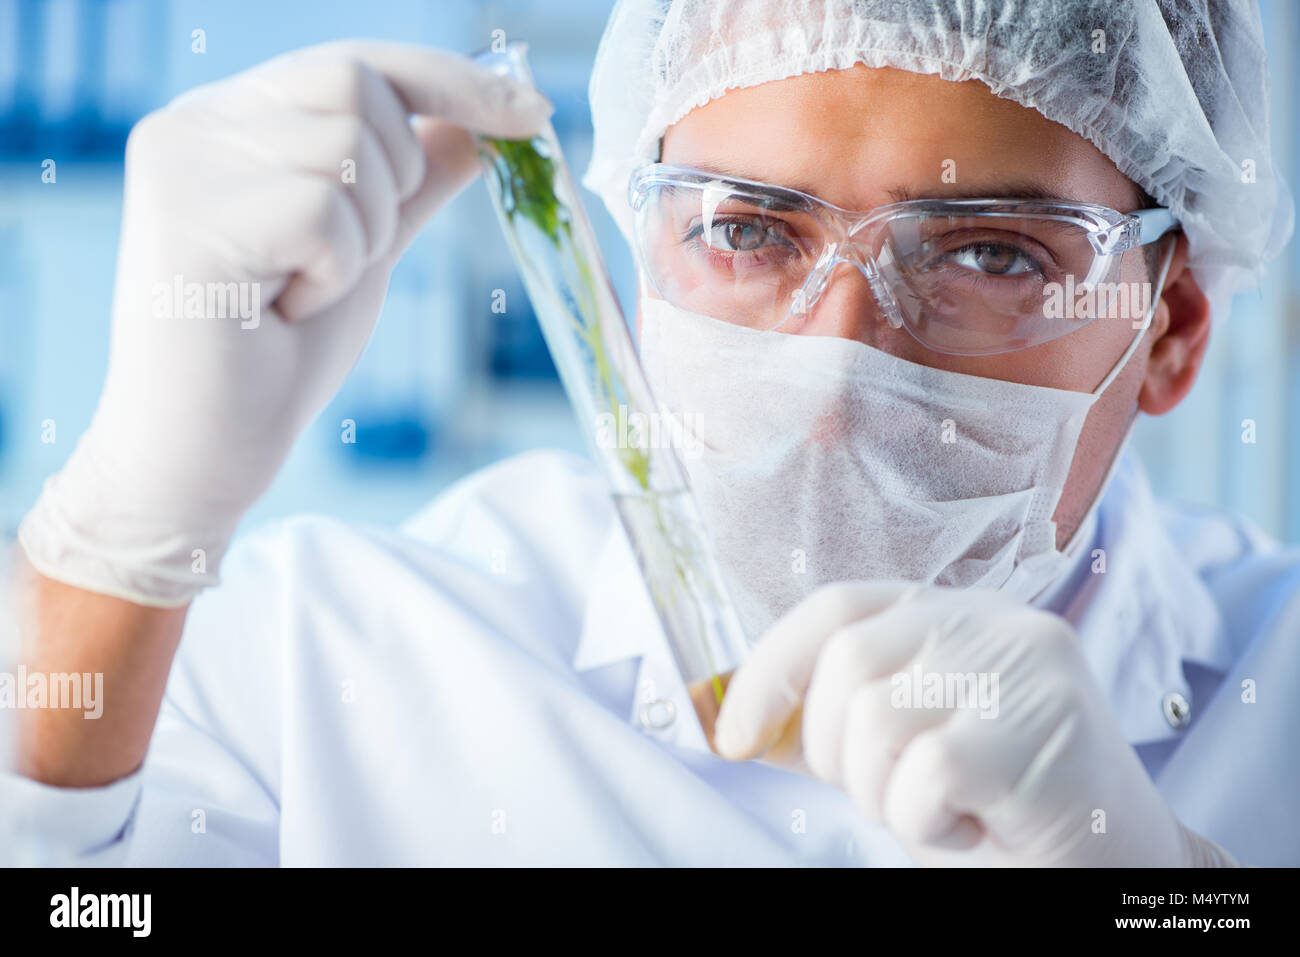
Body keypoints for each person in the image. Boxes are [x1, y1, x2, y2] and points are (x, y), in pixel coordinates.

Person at [3, 0, 1296, 867]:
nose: (833, 367)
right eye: (746, 229)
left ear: (1173, 323)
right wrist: (115, 547)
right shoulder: (329, 661)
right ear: (638, 257)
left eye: (991, 252)